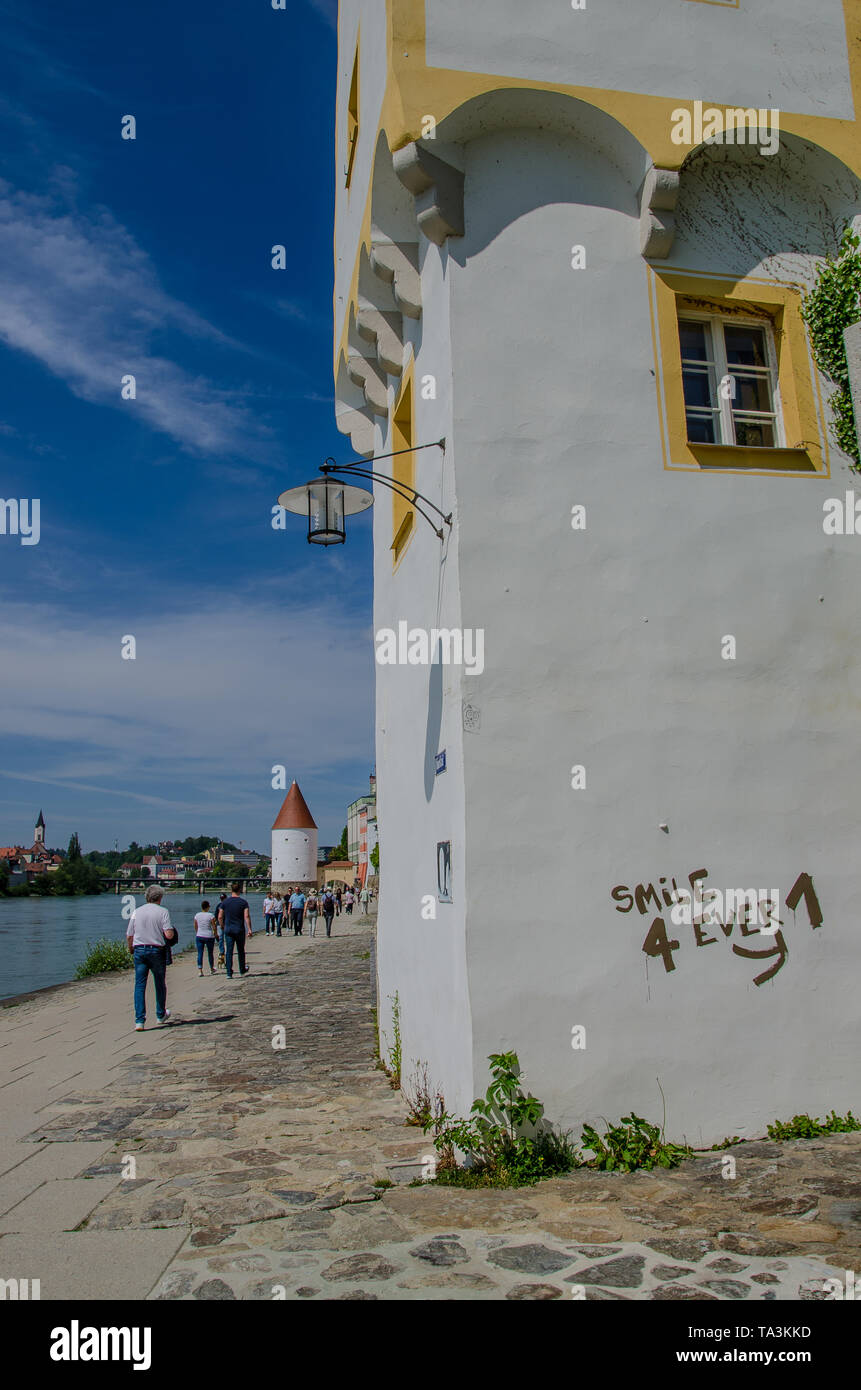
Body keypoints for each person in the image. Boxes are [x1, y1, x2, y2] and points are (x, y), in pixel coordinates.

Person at [127, 883, 176, 1030]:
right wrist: (171, 931)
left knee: (140, 985)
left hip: (139, 950)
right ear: (160, 897)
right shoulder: (163, 912)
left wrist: (131, 949)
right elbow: (168, 934)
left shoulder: (136, 911)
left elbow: (129, 935)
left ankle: (139, 1021)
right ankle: (160, 1015)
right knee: (159, 983)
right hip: (156, 951)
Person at [217, 881, 253, 978]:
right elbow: (246, 916)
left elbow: (220, 916)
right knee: (241, 950)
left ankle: (229, 972)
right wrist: (249, 929)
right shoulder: (243, 903)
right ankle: (242, 969)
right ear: (240, 890)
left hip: (228, 929)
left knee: (229, 951)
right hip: (239, 929)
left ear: (231, 890)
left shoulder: (224, 902)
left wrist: (222, 926)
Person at [194, 899, 217, 975]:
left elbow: (196, 926)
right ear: (207, 907)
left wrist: (197, 932)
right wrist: (216, 934)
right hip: (209, 935)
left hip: (200, 935)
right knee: (210, 953)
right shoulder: (211, 915)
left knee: (200, 953)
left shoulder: (197, 915)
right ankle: (211, 968)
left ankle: (200, 970)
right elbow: (214, 926)